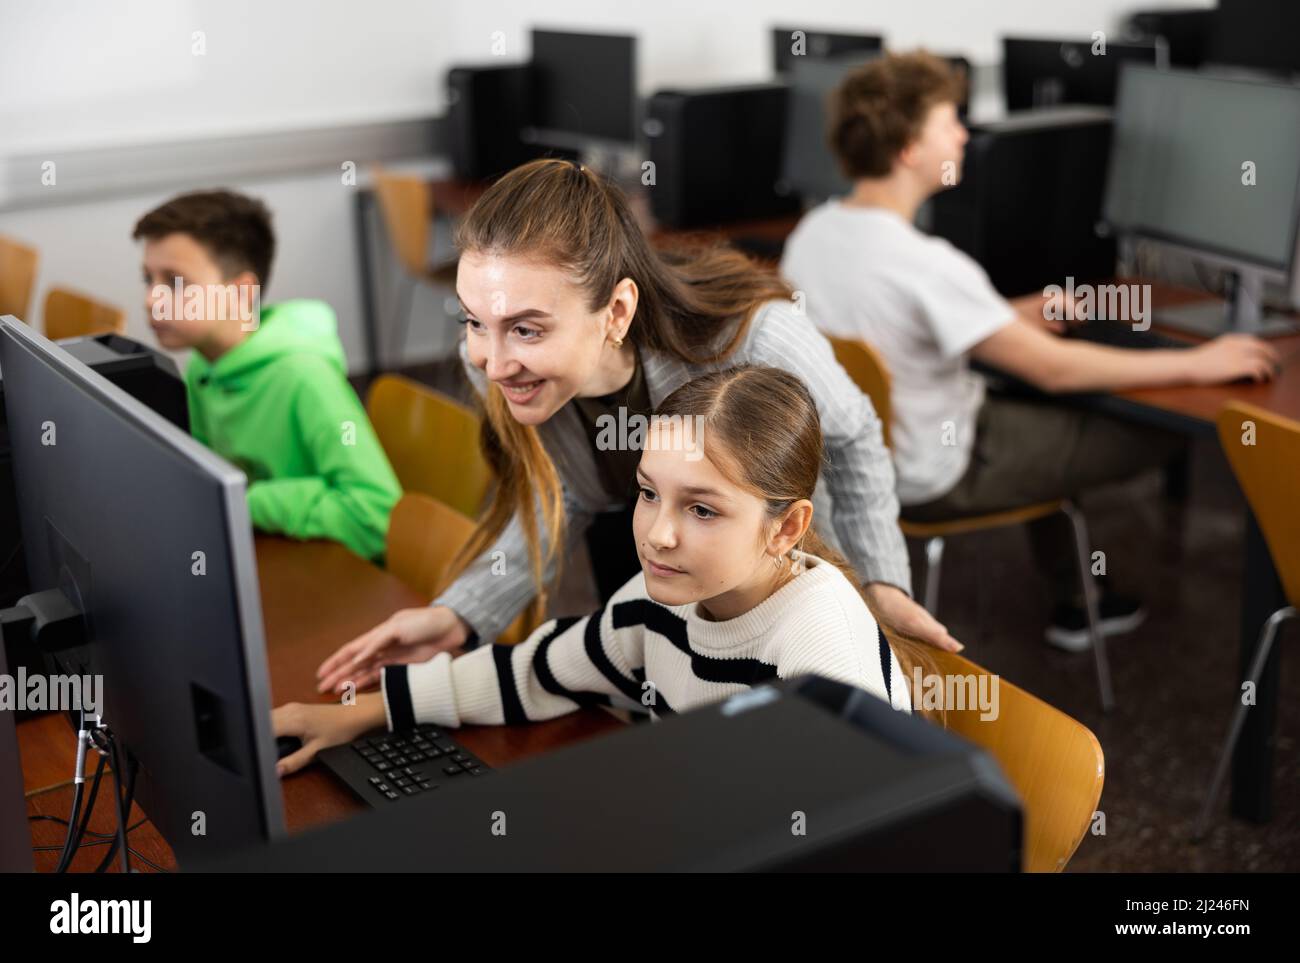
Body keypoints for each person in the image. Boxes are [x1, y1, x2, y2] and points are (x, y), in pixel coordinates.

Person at [316, 157, 960, 697]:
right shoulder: (499, 362)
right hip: (674, 578)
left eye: (527, 328)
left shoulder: (757, 340)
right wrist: (460, 615)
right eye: (473, 321)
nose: (491, 358)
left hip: (788, 588)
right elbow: (559, 494)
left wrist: (880, 582)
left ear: (617, 310)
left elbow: (854, 439)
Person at [780, 51, 1280, 650]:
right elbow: (1054, 367)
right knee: (1158, 430)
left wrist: (1005, 315)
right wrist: (1201, 362)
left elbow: (892, 320)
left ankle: (1079, 596)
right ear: (910, 150)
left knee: (1036, 410)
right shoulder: (929, 263)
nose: (964, 135)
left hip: (857, 468)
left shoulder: (814, 234)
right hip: (939, 471)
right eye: (950, 123)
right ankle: (1080, 601)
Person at [287, 366, 913, 773]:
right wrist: (360, 712)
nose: (657, 535)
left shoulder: (819, 651)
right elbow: (543, 671)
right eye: (648, 494)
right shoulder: (660, 597)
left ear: (786, 528)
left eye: (701, 508)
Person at [134, 189, 401, 563]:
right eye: (148, 279)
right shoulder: (203, 366)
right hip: (270, 553)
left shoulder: (303, 377)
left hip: (333, 577)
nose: (151, 299)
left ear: (241, 293)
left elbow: (376, 516)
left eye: (175, 282)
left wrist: (252, 502)